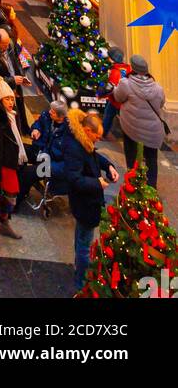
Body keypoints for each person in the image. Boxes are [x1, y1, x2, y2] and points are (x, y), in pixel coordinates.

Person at [64, 108, 118, 291]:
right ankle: (81, 284)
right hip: (85, 203)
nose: (98, 139)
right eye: (97, 135)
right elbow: (75, 178)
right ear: (88, 131)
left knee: (81, 238)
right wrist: (97, 183)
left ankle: (78, 269)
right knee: (85, 245)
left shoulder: (82, 141)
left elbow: (94, 155)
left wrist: (108, 165)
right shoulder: (75, 147)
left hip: (86, 201)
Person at [0, 77, 29, 246]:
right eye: (7, 99)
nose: (11, 102)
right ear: (0, 100)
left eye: (12, 98)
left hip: (12, 162)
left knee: (9, 196)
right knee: (9, 198)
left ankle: (4, 224)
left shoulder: (12, 115)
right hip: (3, 164)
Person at [113, 55, 167, 187]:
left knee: (131, 156)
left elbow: (118, 97)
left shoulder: (126, 84)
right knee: (151, 159)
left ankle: (132, 185)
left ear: (133, 68)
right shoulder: (158, 88)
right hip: (152, 130)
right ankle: (151, 189)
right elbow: (161, 103)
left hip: (131, 127)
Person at [30, 98, 70, 193]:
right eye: (50, 109)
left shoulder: (67, 132)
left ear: (61, 117)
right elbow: (38, 123)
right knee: (19, 152)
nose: (49, 112)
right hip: (39, 150)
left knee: (28, 174)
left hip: (49, 161)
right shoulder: (46, 116)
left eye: (53, 112)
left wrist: (48, 166)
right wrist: (35, 129)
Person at [100, 46, 131, 139]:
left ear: (112, 59)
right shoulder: (128, 69)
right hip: (125, 100)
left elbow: (110, 87)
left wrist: (102, 93)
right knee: (126, 120)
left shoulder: (115, 71)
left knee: (108, 117)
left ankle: (102, 133)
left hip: (115, 100)